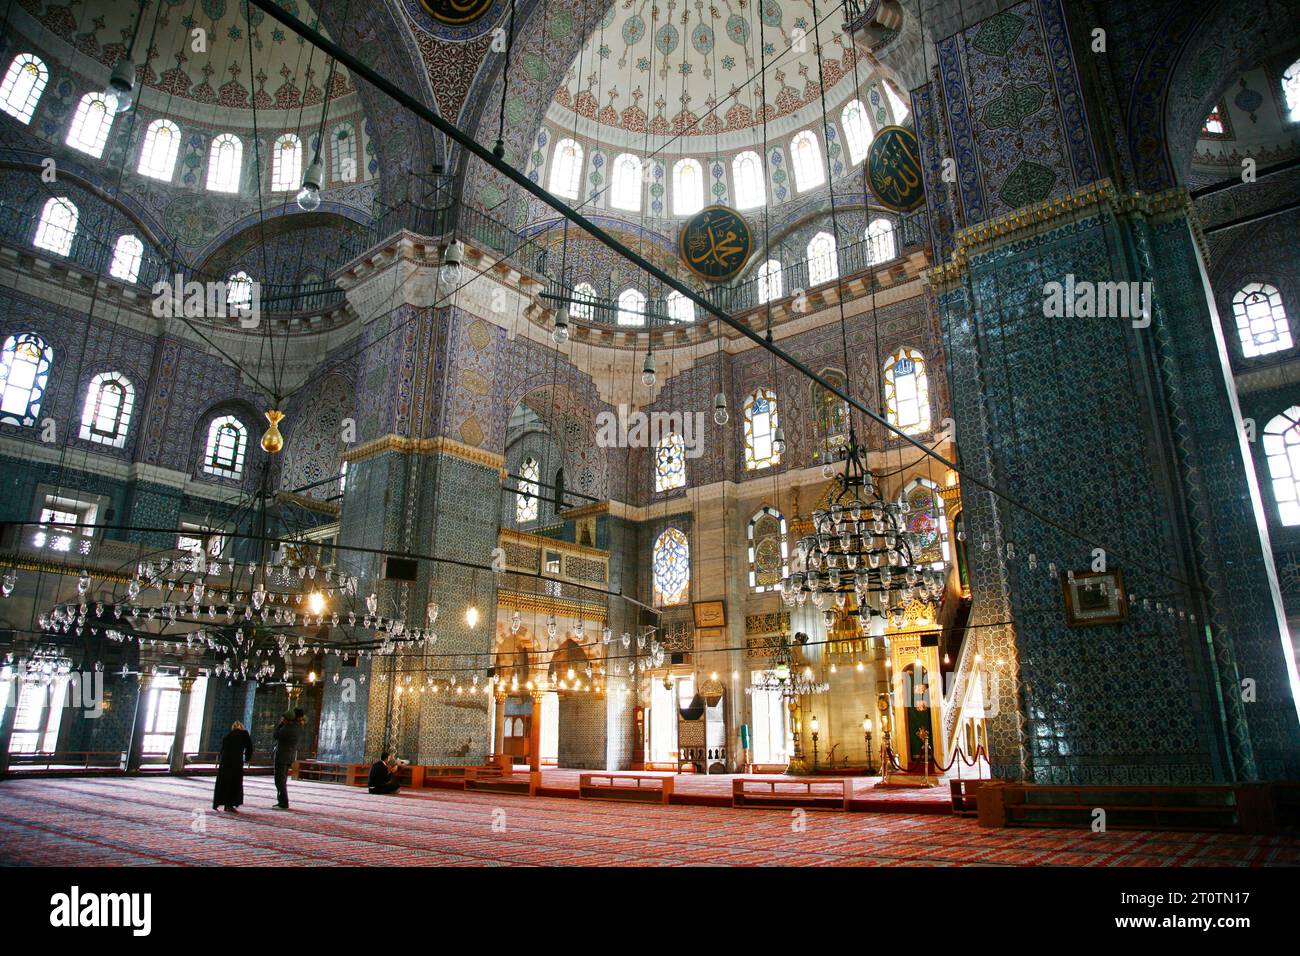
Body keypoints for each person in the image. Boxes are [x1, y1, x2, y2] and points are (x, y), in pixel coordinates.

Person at [213, 721, 253, 812]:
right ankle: (229, 805)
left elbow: (222, 750)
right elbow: (249, 747)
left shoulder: (228, 736)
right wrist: (247, 759)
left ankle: (220, 803)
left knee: (224, 782)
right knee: (234, 783)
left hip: (225, 762)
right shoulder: (244, 734)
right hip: (235, 762)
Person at [271, 710, 301, 810]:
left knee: (280, 781)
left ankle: (283, 803)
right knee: (282, 780)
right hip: (289, 757)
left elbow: (275, 735)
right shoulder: (297, 727)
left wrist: (280, 725)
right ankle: (281, 801)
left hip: (282, 757)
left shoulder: (286, 729)